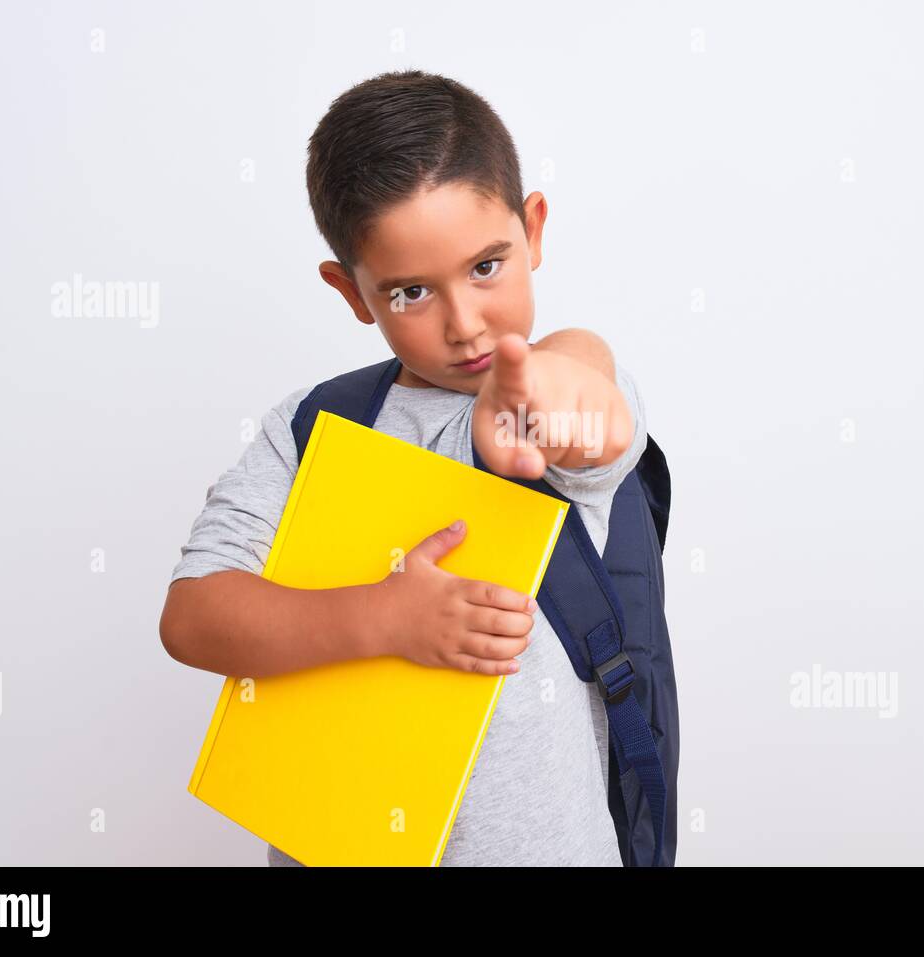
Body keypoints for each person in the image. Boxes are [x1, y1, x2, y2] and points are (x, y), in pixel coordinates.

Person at [160, 70, 651, 866]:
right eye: (412, 291)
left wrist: (561, 372)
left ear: (533, 229)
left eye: (488, 266)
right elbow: (191, 617)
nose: (466, 324)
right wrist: (383, 619)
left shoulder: (560, 391)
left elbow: (587, 407)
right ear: (353, 293)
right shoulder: (313, 427)